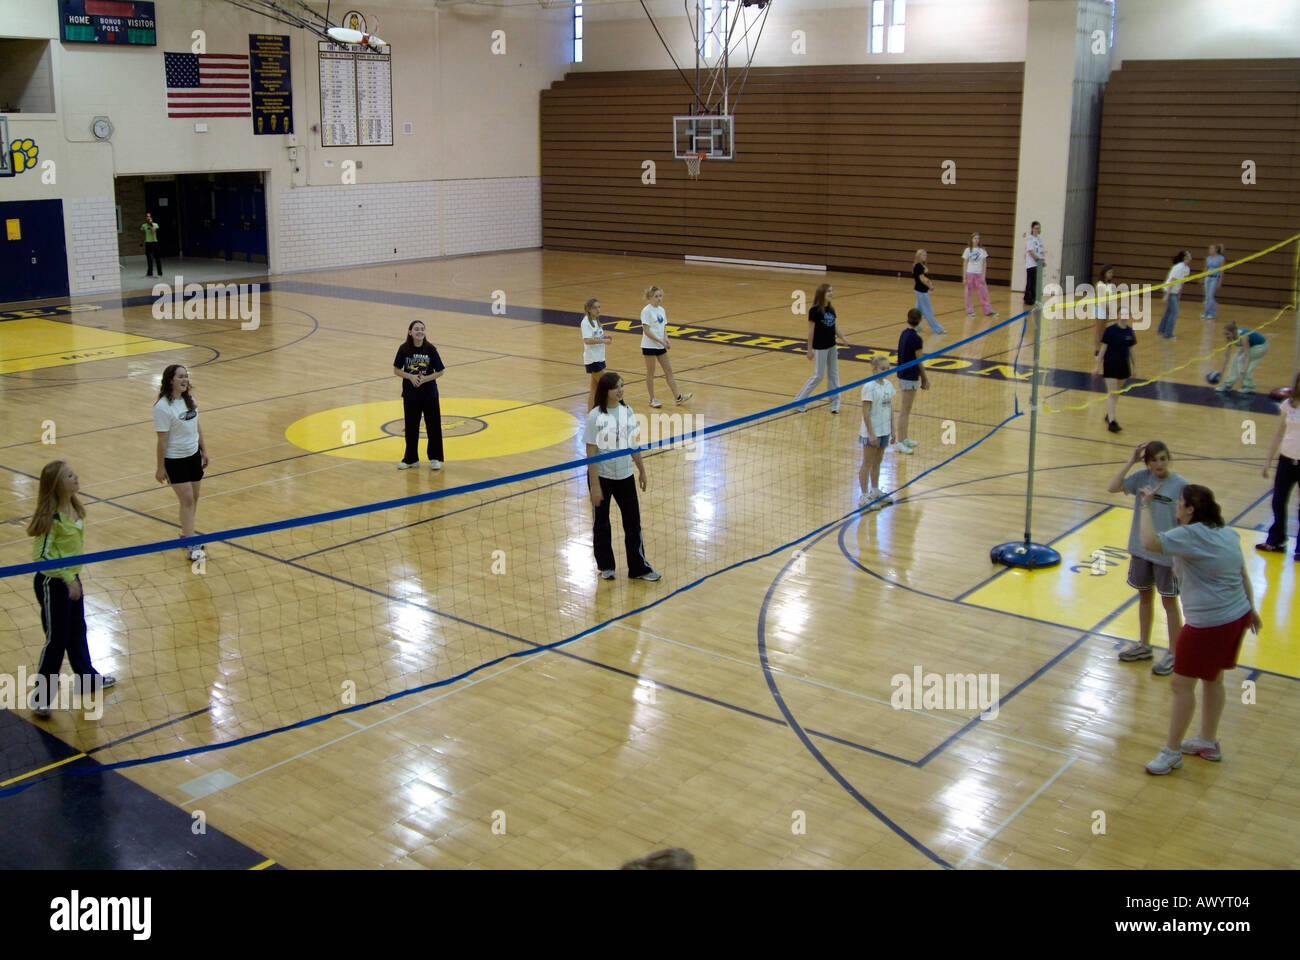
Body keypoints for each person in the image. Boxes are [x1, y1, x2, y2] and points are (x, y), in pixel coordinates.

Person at [1138, 484, 1261, 774]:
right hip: (1237, 615)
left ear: (1190, 509)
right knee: (1213, 678)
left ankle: (1171, 752)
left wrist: (1145, 505)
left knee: (1181, 686)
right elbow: (1241, 572)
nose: (1175, 507)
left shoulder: (1189, 535)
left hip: (1208, 623)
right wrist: (1252, 609)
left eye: (1179, 503)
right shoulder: (1226, 533)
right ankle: (1208, 741)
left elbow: (1149, 542)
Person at [26, 461, 117, 718]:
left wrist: (73, 578)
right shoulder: (51, 517)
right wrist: (67, 578)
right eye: (69, 476)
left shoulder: (75, 508)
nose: (76, 477)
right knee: (57, 639)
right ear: (57, 485)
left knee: (78, 630)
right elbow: (42, 557)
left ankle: (87, 678)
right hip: (52, 583)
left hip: (72, 580)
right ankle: (41, 698)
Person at [1108, 441, 1187, 675]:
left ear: (1169, 459)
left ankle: (1174, 653)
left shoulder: (1180, 485)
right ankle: (1144, 645)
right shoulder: (1141, 478)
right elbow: (1112, 487)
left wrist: (1180, 558)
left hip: (1167, 555)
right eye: (1154, 460)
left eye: (1163, 458)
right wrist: (1130, 461)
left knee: (1169, 602)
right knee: (1144, 597)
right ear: (1147, 462)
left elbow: (1185, 522)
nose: (1159, 464)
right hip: (1141, 550)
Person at [584, 371, 660, 582]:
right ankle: (606, 566)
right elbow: (590, 452)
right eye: (616, 387)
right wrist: (596, 485)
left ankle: (638, 568)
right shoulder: (595, 416)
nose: (620, 390)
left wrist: (641, 470)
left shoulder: (627, 411)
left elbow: (633, 443)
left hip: (625, 475)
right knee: (601, 523)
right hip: (603, 476)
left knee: (633, 523)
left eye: (622, 386)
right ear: (606, 391)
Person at [153, 364, 209, 561]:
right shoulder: (162, 407)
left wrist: (203, 449)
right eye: (180, 377)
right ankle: (192, 545)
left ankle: (186, 533)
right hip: (175, 460)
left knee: (194, 498)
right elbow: (162, 440)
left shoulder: (189, 400)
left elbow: (196, 425)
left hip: (193, 455)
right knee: (186, 500)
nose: (185, 380)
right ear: (170, 380)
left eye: (186, 376)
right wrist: (160, 468)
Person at [1256, 370, 1300, 558]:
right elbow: (1278, 434)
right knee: (1278, 501)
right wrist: (1267, 461)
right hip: (1286, 460)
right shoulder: (1288, 405)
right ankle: (1276, 540)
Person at [393, 320, 446, 470]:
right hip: (411, 395)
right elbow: (396, 370)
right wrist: (410, 376)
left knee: (433, 426)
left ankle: (434, 458)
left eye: (422, 329)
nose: (420, 331)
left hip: (430, 395)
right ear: (410, 332)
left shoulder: (430, 349)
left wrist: (425, 379)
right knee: (411, 427)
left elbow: (441, 371)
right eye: (416, 329)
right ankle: (411, 459)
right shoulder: (404, 349)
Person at [794, 282, 850, 414]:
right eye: (828, 291)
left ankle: (835, 404)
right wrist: (809, 350)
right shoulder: (814, 311)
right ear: (822, 294)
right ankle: (799, 401)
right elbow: (811, 331)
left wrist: (843, 338)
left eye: (832, 290)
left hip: (832, 346)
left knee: (833, 375)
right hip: (820, 348)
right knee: (818, 376)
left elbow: (834, 326)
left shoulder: (831, 309)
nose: (831, 293)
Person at [640, 286, 692, 409]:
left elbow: (663, 327)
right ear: (650, 297)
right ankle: (652, 399)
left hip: (660, 344)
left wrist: (666, 339)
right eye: (656, 296)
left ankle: (678, 397)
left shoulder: (662, 310)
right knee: (651, 373)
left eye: (660, 296)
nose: (659, 299)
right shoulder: (646, 311)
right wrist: (660, 341)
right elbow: (646, 331)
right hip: (649, 345)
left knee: (668, 370)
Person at [858, 355, 896, 510]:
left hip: (884, 430)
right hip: (871, 432)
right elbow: (866, 412)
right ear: (874, 369)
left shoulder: (888, 385)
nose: (886, 371)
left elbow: (890, 408)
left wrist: (892, 429)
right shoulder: (869, 387)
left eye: (888, 368)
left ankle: (875, 490)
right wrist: (871, 433)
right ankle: (864, 496)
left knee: (878, 461)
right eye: (883, 368)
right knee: (867, 462)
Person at [1094, 306, 1137, 433]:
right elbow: (1103, 348)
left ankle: (1109, 413)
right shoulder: (1110, 330)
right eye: (1121, 314)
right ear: (1118, 315)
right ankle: (1112, 422)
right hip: (1110, 365)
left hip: (1124, 366)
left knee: (1116, 392)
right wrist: (1097, 366)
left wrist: (1135, 367)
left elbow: (1131, 351)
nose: (1123, 316)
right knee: (1112, 393)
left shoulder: (1129, 331)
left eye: (1126, 314)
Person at [894, 308, 929, 454]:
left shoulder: (904, 334)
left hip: (903, 373)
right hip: (909, 376)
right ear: (920, 320)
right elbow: (919, 360)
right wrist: (925, 378)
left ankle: (904, 438)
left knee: (906, 410)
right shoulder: (916, 339)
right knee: (904, 410)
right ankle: (900, 442)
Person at [1214, 323, 1268, 394]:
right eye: (1224, 334)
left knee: (1242, 361)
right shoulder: (1228, 338)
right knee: (1234, 359)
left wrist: (1244, 369)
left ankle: (1249, 387)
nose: (1226, 336)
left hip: (1260, 346)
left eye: (1227, 334)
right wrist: (1221, 372)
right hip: (1250, 345)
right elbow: (1226, 356)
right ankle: (1228, 384)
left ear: (1234, 332)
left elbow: (1247, 356)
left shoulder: (1243, 337)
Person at [580, 297, 613, 411]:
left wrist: (605, 337)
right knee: (609, 386)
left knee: (593, 389)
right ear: (589, 309)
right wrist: (603, 341)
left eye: (599, 307)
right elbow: (587, 340)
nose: (598, 310)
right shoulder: (585, 322)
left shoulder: (596, 321)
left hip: (599, 358)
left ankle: (590, 414)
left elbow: (595, 337)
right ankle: (609, 411)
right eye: (595, 308)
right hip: (592, 360)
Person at [960, 233, 997, 318]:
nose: (976, 240)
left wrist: (983, 276)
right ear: (971, 239)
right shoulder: (967, 250)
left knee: (983, 292)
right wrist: (964, 277)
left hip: (979, 274)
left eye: (978, 238)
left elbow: (984, 264)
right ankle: (969, 311)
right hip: (970, 273)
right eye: (975, 238)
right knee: (968, 293)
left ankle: (988, 311)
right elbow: (965, 263)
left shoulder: (982, 250)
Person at [1156, 250, 1192, 340]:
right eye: (1188, 254)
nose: (1190, 255)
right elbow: (1172, 281)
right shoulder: (1178, 267)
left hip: (1175, 292)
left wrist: (1179, 294)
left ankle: (1161, 330)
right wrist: (1167, 295)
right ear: (1184, 257)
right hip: (1169, 291)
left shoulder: (1187, 269)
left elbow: (1182, 282)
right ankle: (1168, 334)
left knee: (1169, 311)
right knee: (1174, 312)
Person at [911, 249, 944, 335]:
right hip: (921, 291)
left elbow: (926, 277)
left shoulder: (922, 265)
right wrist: (930, 286)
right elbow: (922, 279)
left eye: (926, 255)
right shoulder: (918, 266)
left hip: (921, 291)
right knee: (928, 311)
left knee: (917, 310)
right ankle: (937, 329)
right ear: (918, 256)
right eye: (923, 255)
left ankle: (915, 325)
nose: (925, 257)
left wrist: (930, 283)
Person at [1092, 264, 1117, 358]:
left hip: (1107, 309)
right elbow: (1102, 300)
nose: (1111, 274)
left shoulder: (1109, 285)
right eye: (1109, 272)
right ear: (1104, 273)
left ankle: (1103, 349)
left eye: (1112, 272)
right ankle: (1097, 350)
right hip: (1100, 309)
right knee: (1098, 330)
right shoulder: (1100, 285)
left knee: (1103, 331)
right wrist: (1107, 311)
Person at [1200, 243, 1225, 320]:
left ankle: (1212, 313)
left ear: (1216, 250)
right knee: (1207, 296)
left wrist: (1220, 281)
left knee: (1210, 295)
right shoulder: (1208, 258)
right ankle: (1206, 312)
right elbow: (1205, 268)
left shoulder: (1221, 258)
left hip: (1215, 278)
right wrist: (1202, 277)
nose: (1210, 250)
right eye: (1209, 249)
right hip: (1207, 278)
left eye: (1211, 249)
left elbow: (1222, 270)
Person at [1023, 221, 1044, 306]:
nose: (1037, 230)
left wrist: (1042, 261)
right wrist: (1037, 260)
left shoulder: (1040, 239)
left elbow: (1041, 251)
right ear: (1032, 229)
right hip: (1031, 264)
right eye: (1036, 228)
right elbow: (1030, 251)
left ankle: (1033, 298)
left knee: (1035, 282)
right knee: (1030, 281)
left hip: (1038, 264)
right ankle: (1028, 299)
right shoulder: (1030, 239)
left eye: (1038, 228)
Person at [141, 212, 162, 278]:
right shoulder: (144, 225)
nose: (148, 217)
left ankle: (159, 273)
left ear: (151, 218)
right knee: (149, 259)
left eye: (149, 216)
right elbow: (142, 234)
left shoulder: (155, 224)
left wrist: (151, 224)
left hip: (154, 242)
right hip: (148, 243)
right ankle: (150, 273)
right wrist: (142, 242)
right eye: (147, 216)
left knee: (157, 258)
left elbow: (153, 231)